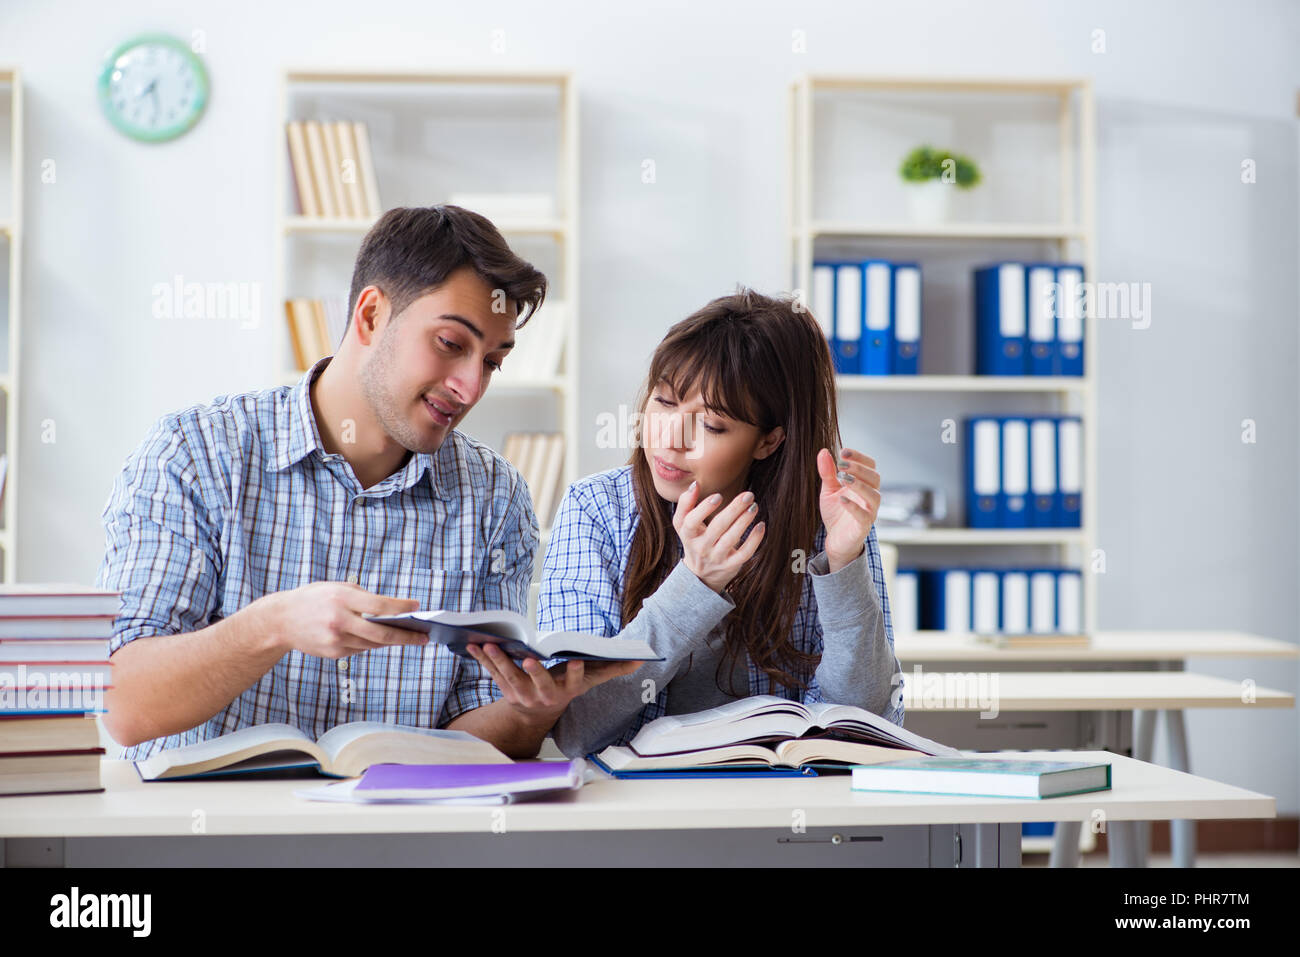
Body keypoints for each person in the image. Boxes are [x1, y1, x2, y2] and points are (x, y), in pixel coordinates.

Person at [96, 205, 632, 762]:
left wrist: (533, 710)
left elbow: (478, 732)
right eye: (451, 343)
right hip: (213, 839)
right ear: (372, 315)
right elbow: (125, 706)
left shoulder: (496, 498)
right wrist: (272, 625)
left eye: (493, 362)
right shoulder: (195, 455)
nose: (470, 386)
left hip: (400, 840)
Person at [470, 288, 903, 759]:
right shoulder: (597, 509)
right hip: (632, 810)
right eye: (664, 402)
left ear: (769, 440)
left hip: (783, 808)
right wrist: (695, 586)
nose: (670, 439)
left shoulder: (826, 524)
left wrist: (843, 565)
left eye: (713, 426)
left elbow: (861, 726)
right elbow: (576, 727)